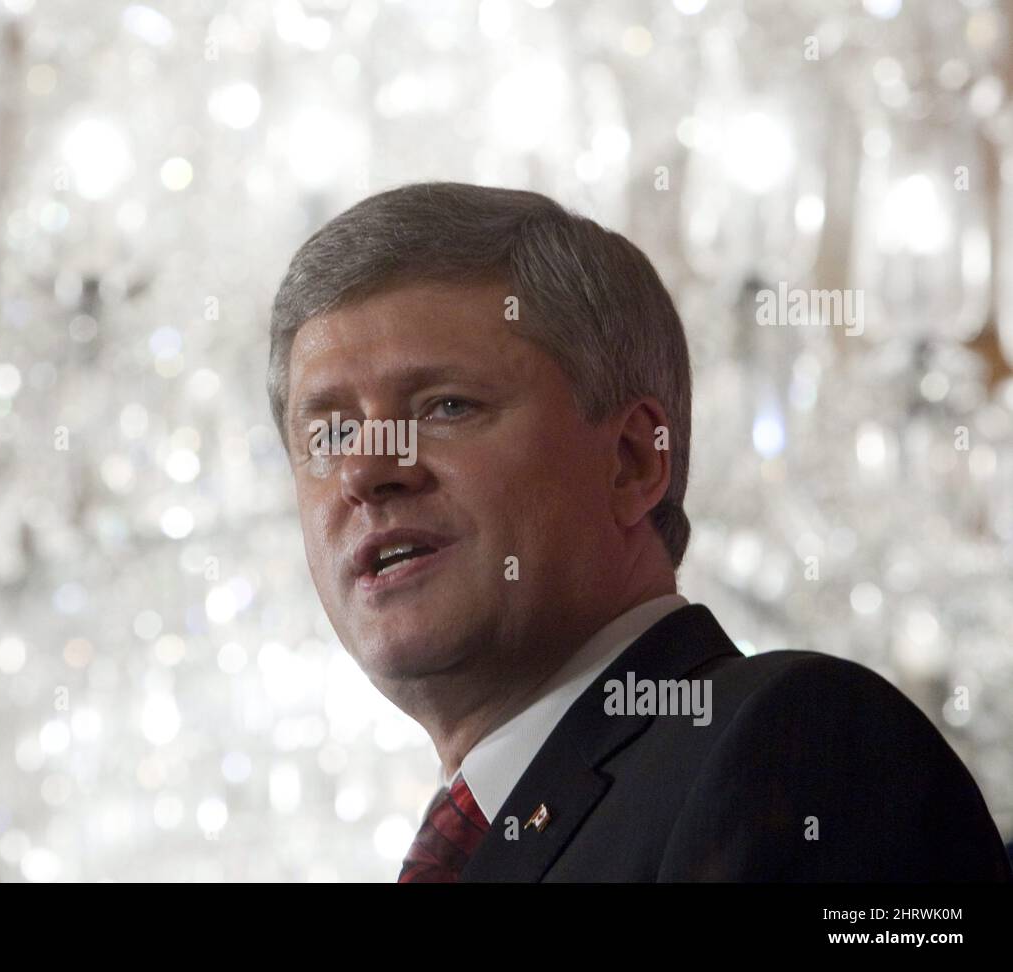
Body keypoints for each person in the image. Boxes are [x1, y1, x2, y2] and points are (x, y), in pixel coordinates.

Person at [265, 181, 1011, 882]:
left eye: (445, 407)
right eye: (328, 436)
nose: (365, 471)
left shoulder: (798, 746)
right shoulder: (483, 837)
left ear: (629, 462)